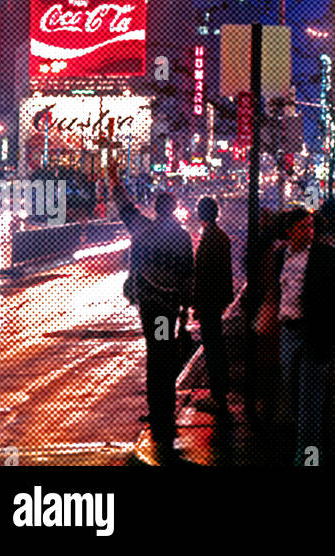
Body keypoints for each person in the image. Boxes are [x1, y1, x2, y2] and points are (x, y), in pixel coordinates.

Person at [109, 162, 194, 462]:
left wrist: (113, 176)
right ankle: (163, 410)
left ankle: (160, 414)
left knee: (157, 354)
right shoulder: (182, 238)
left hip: (152, 305)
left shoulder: (144, 229)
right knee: (164, 352)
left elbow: (124, 206)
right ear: (175, 209)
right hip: (169, 307)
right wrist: (184, 310)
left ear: (157, 209)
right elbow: (188, 276)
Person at [263, 206, 335, 465]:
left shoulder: (326, 256)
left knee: (310, 399)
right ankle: (308, 450)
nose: (308, 232)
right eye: (301, 227)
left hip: (314, 332)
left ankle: (308, 456)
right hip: (288, 332)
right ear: (289, 231)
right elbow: (277, 290)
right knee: (295, 396)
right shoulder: (280, 258)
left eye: (310, 226)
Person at [192, 196, 234, 419]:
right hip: (217, 300)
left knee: (213, 347)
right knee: (215, 346)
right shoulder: (220, 237)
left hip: (209, 302)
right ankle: (219, 393)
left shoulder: (210, 239)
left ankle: (218, 396)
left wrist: (198, 303)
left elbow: (204, 274)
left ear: (200, 214)